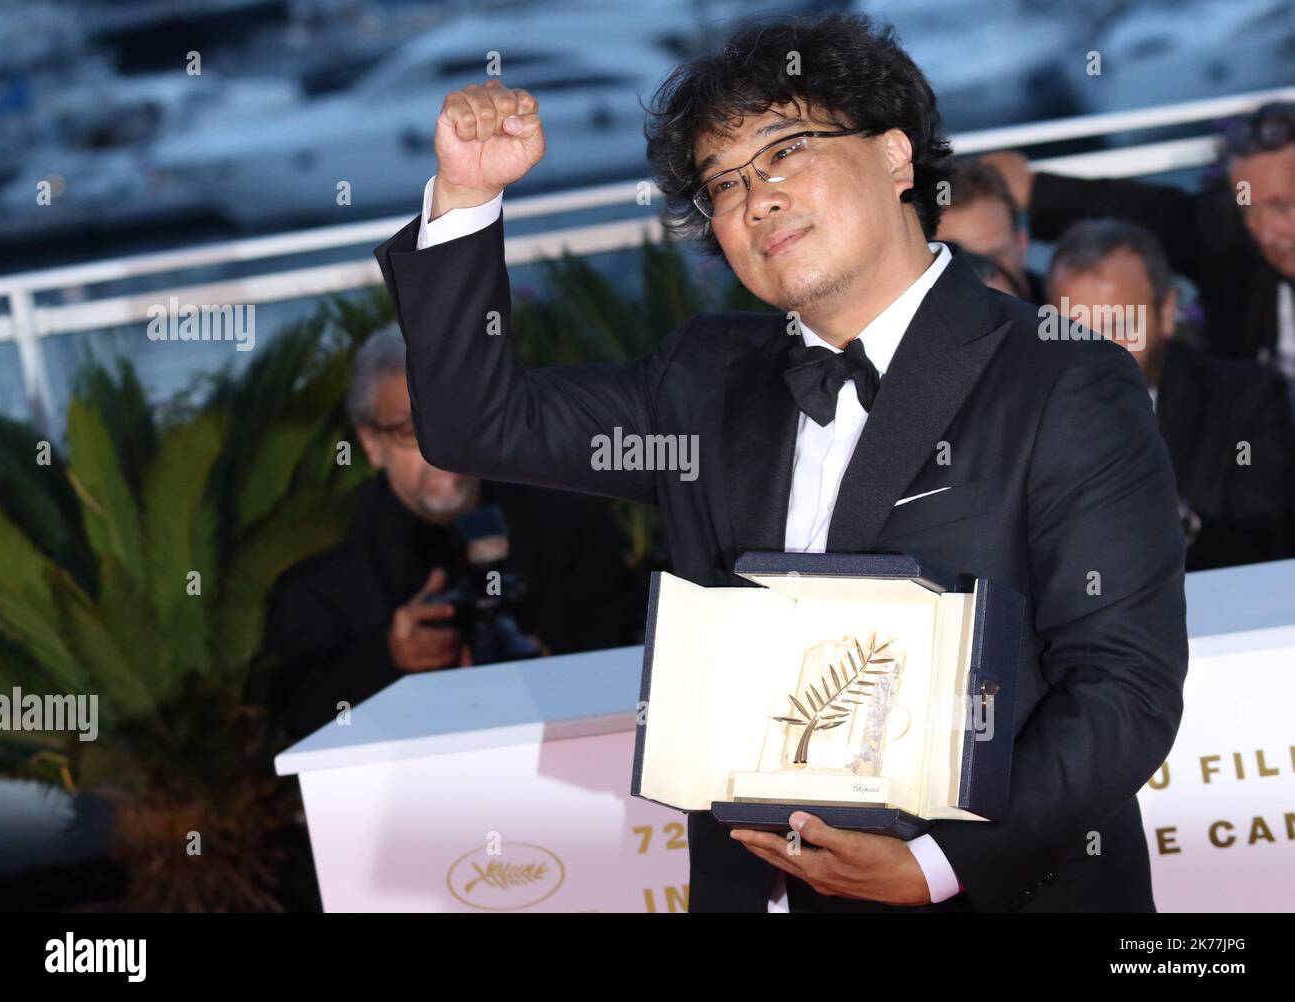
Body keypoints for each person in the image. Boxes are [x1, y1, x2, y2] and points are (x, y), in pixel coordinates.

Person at [374, 12, 1187, 913]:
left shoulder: (1064, 380)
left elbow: (1124, 690)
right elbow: (474, 425)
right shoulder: (700, 378)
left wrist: (935, 864)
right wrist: (465, 197)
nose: (754, 198)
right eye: (722, 183)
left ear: (894, 157)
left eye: (785, 151)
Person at [265, 326, 644, 747]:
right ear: (371, 443)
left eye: (455, 421)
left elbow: (631, 654)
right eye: (410, 432)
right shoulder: (323, 562)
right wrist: (390, 659)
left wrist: (555, 676)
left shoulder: (569, 520)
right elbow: (296, 715)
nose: (439, 450)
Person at [981, 102, 1295, 384]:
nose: (1265, 234)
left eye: (1281, 206)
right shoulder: (1230, 244)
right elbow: (1149, 212)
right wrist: (1034, 190)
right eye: (1249, 212)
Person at [1047, 219, 1295, 571]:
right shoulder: (1025, 416)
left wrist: (1171, 521)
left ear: (1165, 312)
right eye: (1074, 330)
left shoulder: (1246, 401)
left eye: (1118, 327)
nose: (1097, 352)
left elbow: (1268, 546)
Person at [936, 159, 1045, 303]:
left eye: (995, 257)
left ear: (1022, 244)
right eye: (960, 260)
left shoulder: (1067, 308)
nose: (982, 279)